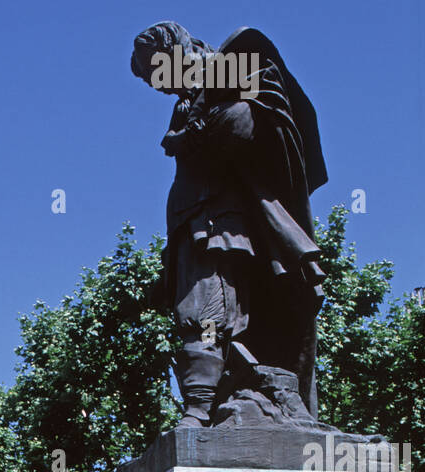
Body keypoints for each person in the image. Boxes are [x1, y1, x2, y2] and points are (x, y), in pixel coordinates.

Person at [130, 22, 327, 425]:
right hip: (191, 219)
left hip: (225, 221)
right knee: (202, 309)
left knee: (206, 310)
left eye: (158, 74)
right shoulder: (187, 101)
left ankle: (199, 408)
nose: (160, 88)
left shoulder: (229, 70)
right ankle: (220, 397)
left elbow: (251, 123)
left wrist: (198, 135)